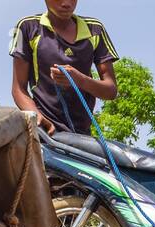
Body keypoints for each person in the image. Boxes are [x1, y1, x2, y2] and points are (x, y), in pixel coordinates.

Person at [11, 1, 119, 136]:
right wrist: (36, 116)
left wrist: (79, 80)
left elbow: (111, 90)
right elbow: (18, 89)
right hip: (45, 134)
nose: (67, 3)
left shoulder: (95, 29)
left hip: (82, 135)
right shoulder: (28, 27)